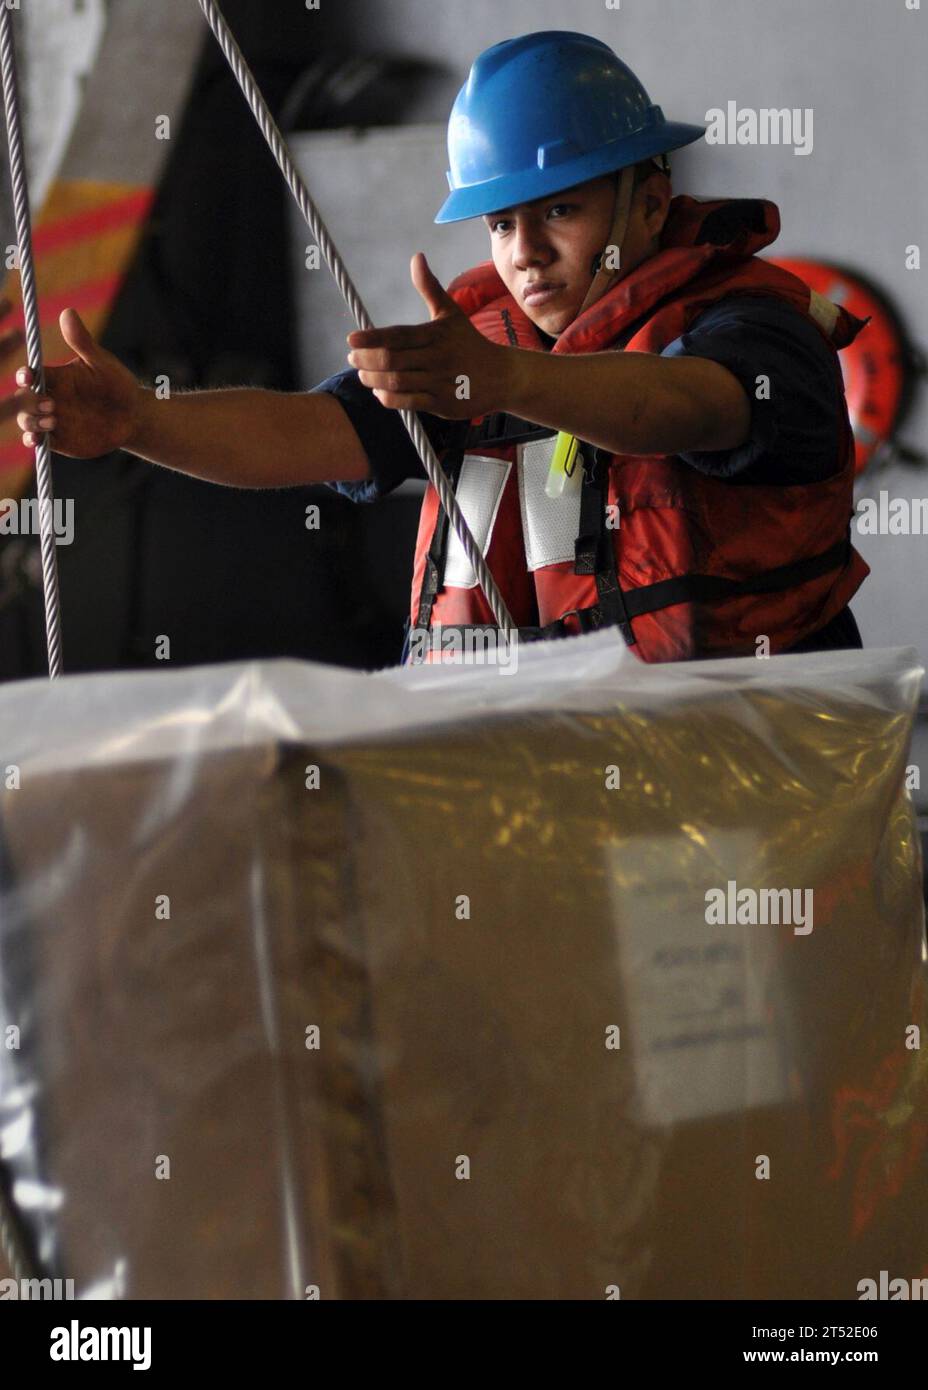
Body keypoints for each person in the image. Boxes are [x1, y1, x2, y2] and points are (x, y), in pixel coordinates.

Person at [11, 30, 868, 666]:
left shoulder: (756, 330)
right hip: (539, 793)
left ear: (650, 201)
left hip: (745, 785)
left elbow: (688, 407)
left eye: (559, 211)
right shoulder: (479, 352)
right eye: (501, 223)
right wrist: (141, 422)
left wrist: (508, 379)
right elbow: (307, 433)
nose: (524, 251)